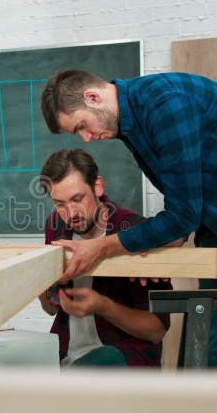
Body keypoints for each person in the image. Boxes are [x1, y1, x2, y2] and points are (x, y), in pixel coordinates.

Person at [40, 70, 217, 368]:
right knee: (211, 335)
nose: (86, 138)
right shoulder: (132, 124)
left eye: (82, 125)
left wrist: (106, 246)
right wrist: (157, 244)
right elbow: (184, 199)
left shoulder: (164, 105)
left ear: (92, 97)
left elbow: (183, 214)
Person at [37, 148, 172, 368]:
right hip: (65, 356)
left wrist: (103, 307)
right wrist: (50, 282)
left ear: (98, 186)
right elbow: (50, 308)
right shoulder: (56, 225)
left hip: (123, 358)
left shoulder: (134, 230)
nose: (71, 213)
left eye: (77, 198)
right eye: (60, 204)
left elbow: (156, 331)